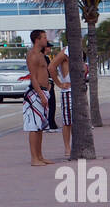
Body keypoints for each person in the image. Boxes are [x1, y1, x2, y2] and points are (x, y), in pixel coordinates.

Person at [22, 29, 52, 166]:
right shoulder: (32, 55)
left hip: (44, 91)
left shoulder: (41, 54)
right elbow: (33, 77)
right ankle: (34, 158)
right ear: (37, 39)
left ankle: (40, 156)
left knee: (40, 127)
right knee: (33, 126)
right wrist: (40, 94)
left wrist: (48, 88)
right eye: (44, 37)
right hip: (35, 94)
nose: (46, 40)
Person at [47, 43, 75, 157]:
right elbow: (51, 67)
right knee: (68, 121)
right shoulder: (66, 52)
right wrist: (59, 83)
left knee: (76, 121)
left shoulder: (77, 50)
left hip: (77, 91)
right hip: (67, 91)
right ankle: (67, 148)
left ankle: (74, 145)